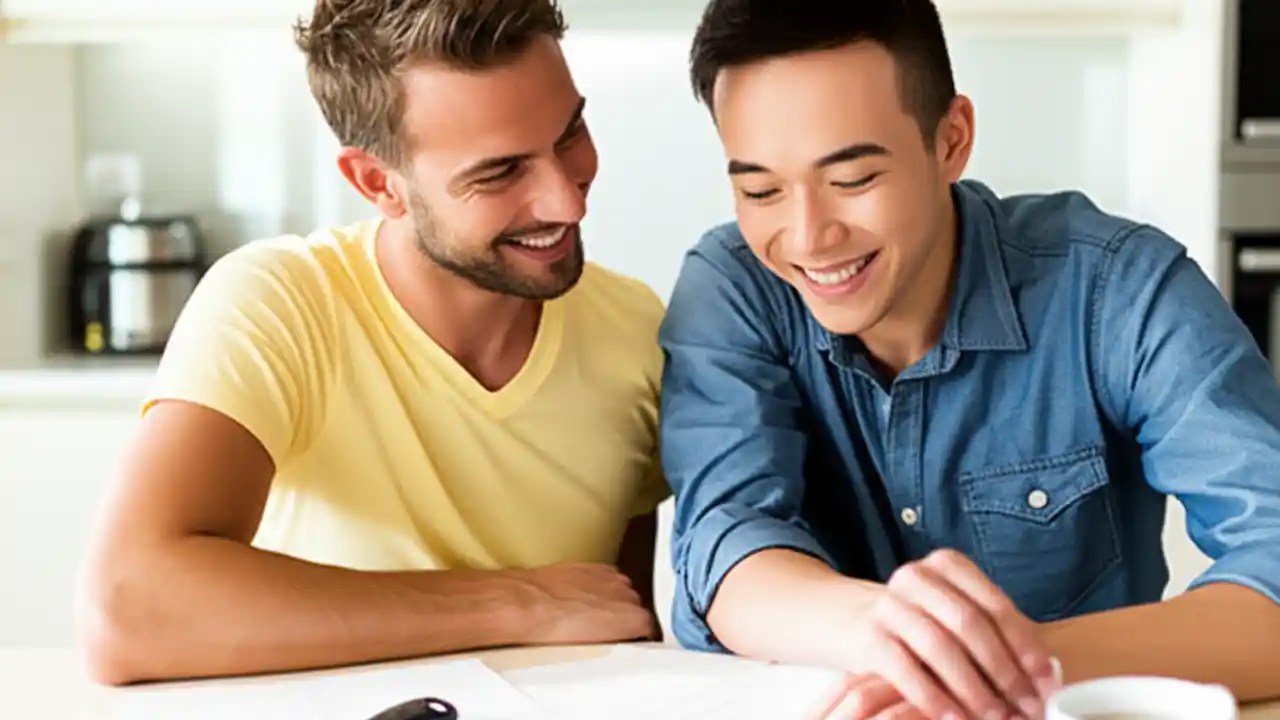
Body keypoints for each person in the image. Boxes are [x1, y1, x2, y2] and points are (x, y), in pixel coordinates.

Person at [659, 1, 1280, 718]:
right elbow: (727, 544)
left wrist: (999, 671)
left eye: (853, 180)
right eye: (760, 190)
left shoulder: (1120, 288)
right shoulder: (733, 289)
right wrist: (884, 632)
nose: (808, 236)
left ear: (951, 140)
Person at [76, 0, 669, 686]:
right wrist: (515, 603)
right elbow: (128, 609)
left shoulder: (635, 330)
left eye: (570, 134)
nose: (568, 201)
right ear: (378, 182)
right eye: (500, 172)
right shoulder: (282, 305)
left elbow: (622, 633)